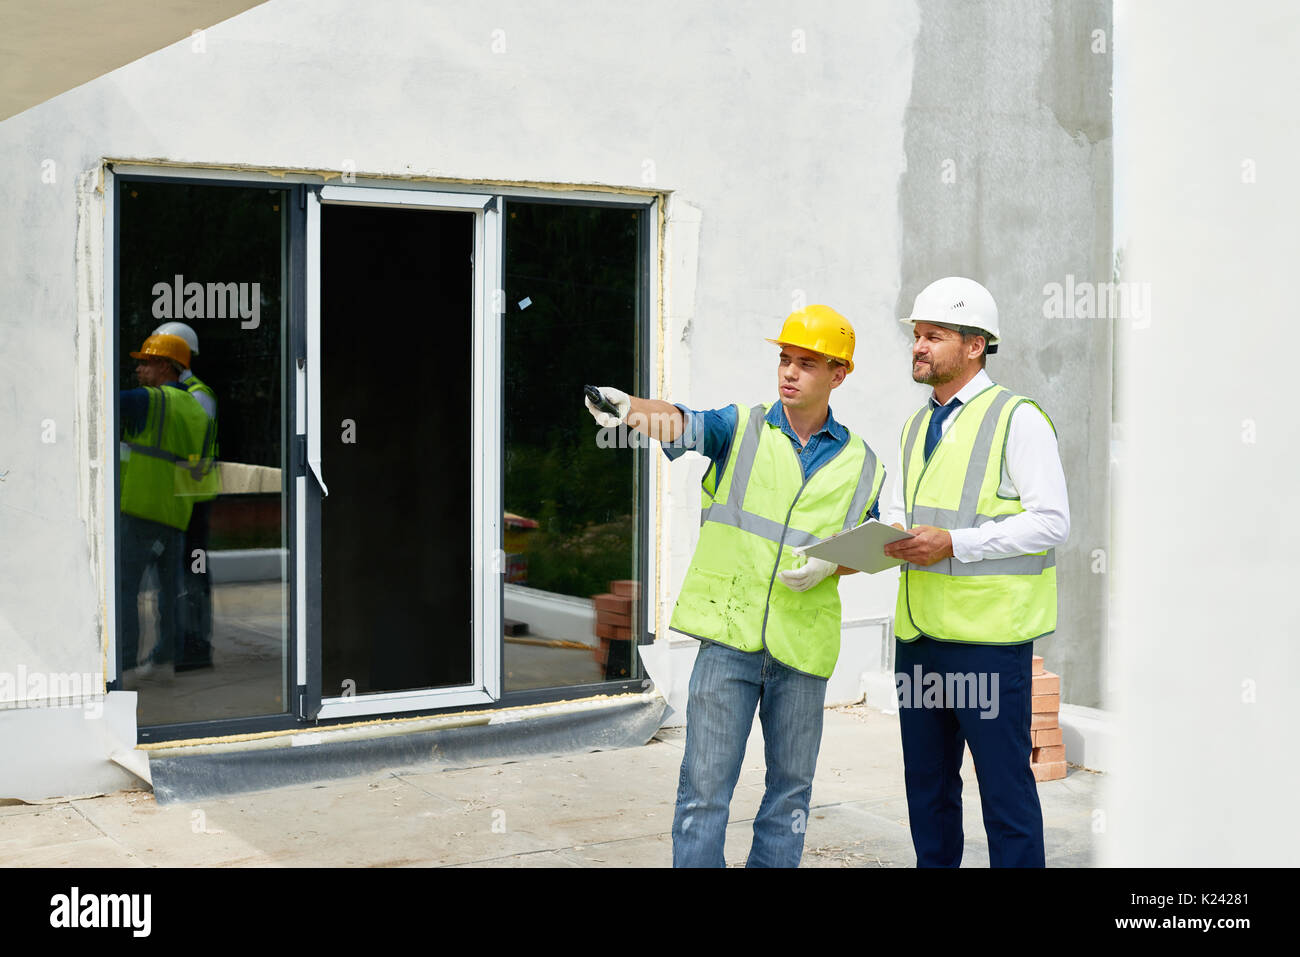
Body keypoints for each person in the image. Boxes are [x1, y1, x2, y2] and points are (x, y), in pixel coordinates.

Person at [586, 304, 885, 867]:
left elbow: (864, 548)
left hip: (802, 649)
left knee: (790, 795)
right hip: (728, 641)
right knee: (704, 794)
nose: (789, 372)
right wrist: (630, 409)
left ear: (838, 375)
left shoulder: (864, 464)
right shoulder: (741, 427)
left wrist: (831, 565)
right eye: (784, 359)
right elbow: (681, 420)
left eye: (805, 363)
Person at [882, 276, 1070, 867]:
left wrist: (956, 543)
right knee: (928, 791)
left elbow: (1052, 522)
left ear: (974, 345)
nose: (918, 346)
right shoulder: (915, 426)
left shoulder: (1018, 419)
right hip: (919, 637)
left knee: (1004, 793)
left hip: (987, 643)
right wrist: (882, 538)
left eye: (932, 336)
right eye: (916, 335)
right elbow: (904, 513)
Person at [119, 333, 215, 678]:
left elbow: (99, 402)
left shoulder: (147, 401)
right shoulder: (196, 406)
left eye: (145, 362)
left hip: (141, 507)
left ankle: (125, 661)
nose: (139, 369)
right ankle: (166, 657)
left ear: (163, 366)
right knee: (169, 590)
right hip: (176, 513)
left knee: (124, 590)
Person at [153, 321, 219, 671]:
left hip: (192, 498)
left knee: (191, 574)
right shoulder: (176, 391)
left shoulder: (197, 395)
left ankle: (195, 646)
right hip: (175, 498)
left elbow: (189, 446)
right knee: (172, 575)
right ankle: (173, 644)